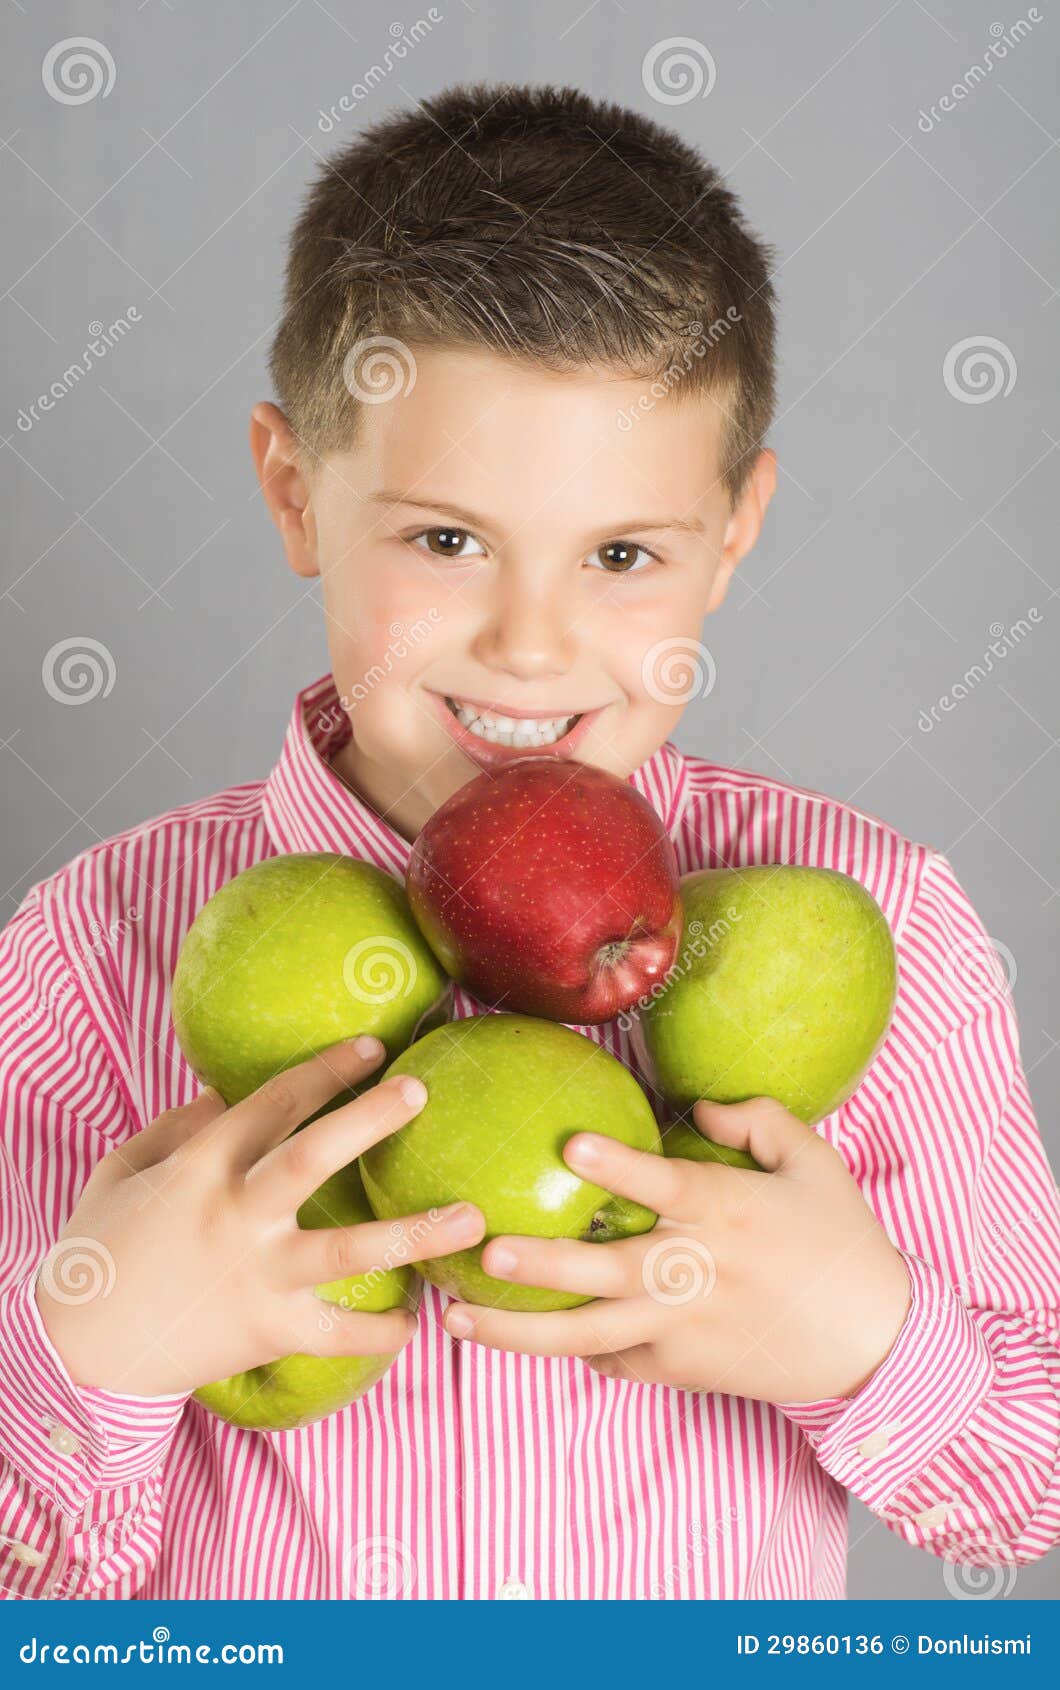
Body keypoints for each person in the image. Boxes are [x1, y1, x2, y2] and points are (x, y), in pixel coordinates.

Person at [1, 83, 1058, 1601]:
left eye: (622, 555)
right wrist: (96, 1339)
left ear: (736, 529)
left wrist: (868, 1340)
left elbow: (1026, 1487)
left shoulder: (885, 918)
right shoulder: (101, 944)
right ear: (296, 489)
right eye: (446, 540)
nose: (529, 643)